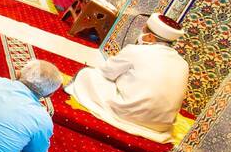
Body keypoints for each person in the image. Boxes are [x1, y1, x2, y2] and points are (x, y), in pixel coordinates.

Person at [65, 13, 189, 141]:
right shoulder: (184, 64)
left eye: (144, 30)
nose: (141, 33)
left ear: (151, 38)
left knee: (88, 74)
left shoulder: (136, 51)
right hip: (160, 125)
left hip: (128, 113)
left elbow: (106, 72)